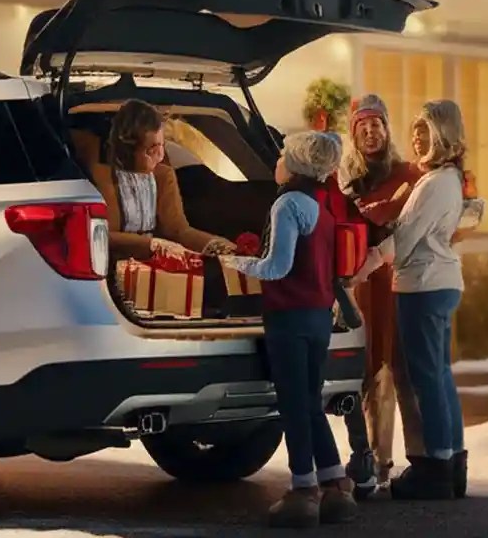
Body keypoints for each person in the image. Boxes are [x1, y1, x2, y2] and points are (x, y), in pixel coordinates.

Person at [221, 131, 357, 529]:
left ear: (297, 163)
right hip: (318, 317)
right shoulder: (322, 204)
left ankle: (303, 490)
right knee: (311, 402)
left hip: (289, 317)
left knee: (292, 405)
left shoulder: (287, 205)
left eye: (282, 154)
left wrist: (238, 264)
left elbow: (277, 267)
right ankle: (336, 483)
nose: (276, 160)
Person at [349, 99, 468, 500]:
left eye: (425, 132)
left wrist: (363, 267)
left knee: (426, 379)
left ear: (443, 134)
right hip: (439, 281)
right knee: (439, 376)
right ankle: (452, 463)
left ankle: (433, 468)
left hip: (423, 284)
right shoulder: (446, 178)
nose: (417, 140)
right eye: (414, 131)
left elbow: (404, 237)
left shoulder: (432, 183)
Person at [333, 95, 427, 497]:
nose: (372, 132)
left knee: (404, 370)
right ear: (354, 135)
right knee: (368, 373)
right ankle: (375, 462)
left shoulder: (407, 174)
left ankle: (423, 459)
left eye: (377, 125)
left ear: (387, 131)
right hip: (361, 286)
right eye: (363, 126)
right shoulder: (345, 182)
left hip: (397, 282)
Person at [94, 99, 236, 260]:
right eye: (152, 150)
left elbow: (178, 230)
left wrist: (215, 246)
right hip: (112, 268)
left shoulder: (163, 176)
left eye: (162, 146)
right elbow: (105, 235)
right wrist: (153, 244)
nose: (160, 156)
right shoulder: (103, 177)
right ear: (128, 149)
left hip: (156, 267)